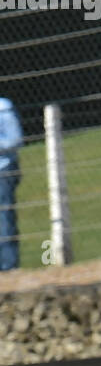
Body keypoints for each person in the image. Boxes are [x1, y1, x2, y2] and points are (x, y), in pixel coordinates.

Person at [0, 97, 20, 271]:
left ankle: (8, 266)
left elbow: (14, 139)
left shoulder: (3, 107)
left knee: (4, 217)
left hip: (3, 169)